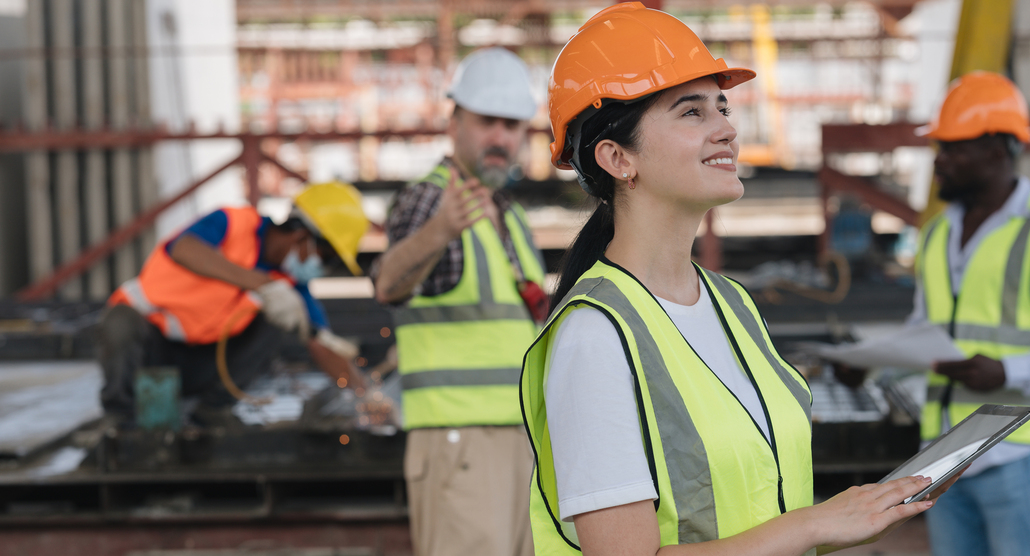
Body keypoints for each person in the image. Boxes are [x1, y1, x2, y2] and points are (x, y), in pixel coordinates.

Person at [520, 4, 958, 555]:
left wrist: (853, 519)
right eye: (691, 113)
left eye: (722, 107)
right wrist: (817, 524)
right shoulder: (595, 338)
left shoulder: (731, 303)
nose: (727, 129)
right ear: (616, 157)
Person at [910, 71, 1030, 556]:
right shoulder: (937, 233)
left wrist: (1008, 371)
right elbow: (923, 333)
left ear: (997, 150)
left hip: (1016, 452)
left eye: (953, 149)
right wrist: (870, 366)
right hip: (944, 459)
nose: (941, 164)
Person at [372, 46, 545, 556]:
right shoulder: (432, 200)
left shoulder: (508, 214)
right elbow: (389, 285)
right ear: (455, 122)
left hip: (518, 438)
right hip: (460, 439)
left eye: (511, 126)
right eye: (487, 122)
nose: (500, 138)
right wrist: (439, 230)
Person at [99, 181, 370, 426]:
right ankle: (119, 419)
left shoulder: (290, 286)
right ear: (301, 238)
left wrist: (366, 395)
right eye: (325, 257)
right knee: (120, 320)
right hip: (149, 354)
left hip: (204, 366)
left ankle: (213, 411)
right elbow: (185, 249)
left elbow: (319, 340)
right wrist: (260, 284)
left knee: (277, 322)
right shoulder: (232, 223)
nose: (321, 267)